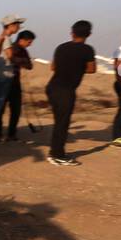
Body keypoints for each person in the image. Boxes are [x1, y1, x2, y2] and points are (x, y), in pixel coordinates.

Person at [45, 20, 96, 165]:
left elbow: (53, 67)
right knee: (62, 123)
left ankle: (55, 151)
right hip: (66, 90)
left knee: (59, 122)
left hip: (52, 87)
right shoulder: (87, 50)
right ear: (89, 34)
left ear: (72, 32)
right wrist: (78, 68)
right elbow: (92, 69)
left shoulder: (61, 47)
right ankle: (57, 155)